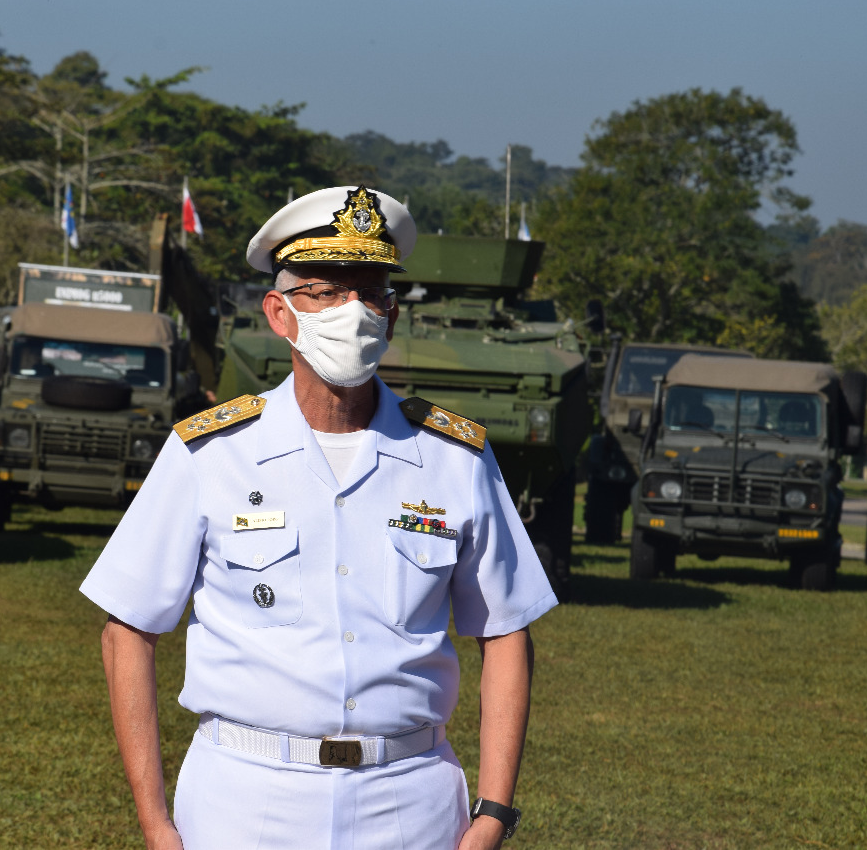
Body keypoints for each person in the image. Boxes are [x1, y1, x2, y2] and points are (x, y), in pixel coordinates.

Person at [81, 186, 557, 850]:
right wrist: (155, 821)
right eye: (325, 292)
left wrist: (494, 812)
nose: (351, 312)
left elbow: (506, 629)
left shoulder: (454, 458)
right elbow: (127, 627)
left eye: (368, 292)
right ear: (279, 313)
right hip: (245, 797)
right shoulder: (211, 453)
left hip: (408, 799)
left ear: (391, 316)